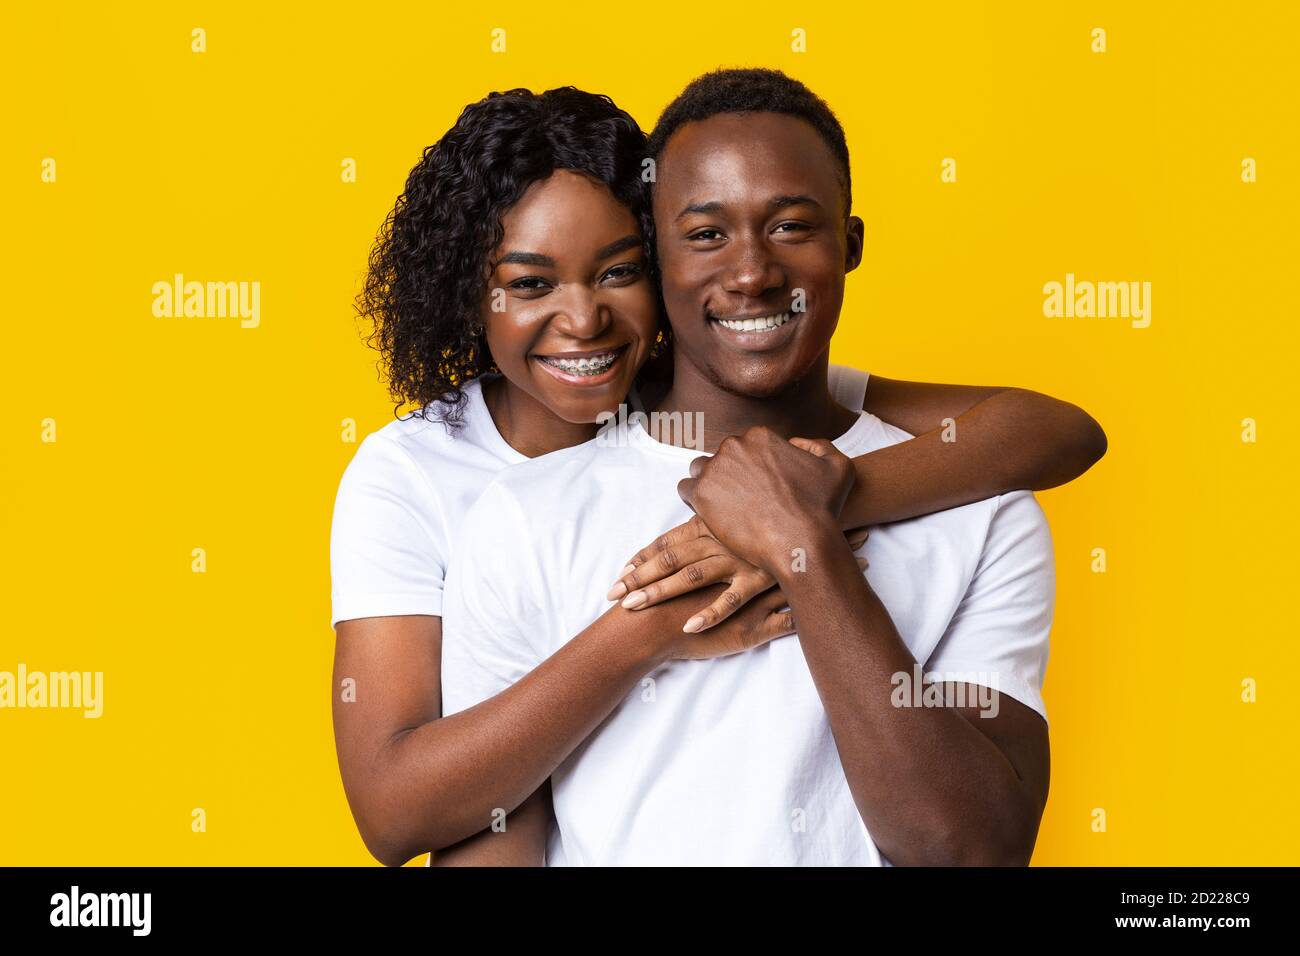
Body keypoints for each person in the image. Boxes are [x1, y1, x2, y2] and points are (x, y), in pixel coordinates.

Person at [332, 84, 1104, 866]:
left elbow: (1048, 429)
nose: (583, 321)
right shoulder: (457, 491)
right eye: (531, 283)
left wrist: (800, 521)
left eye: (614, 273)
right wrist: (652, 624)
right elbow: (413, 816)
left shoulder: (951, 495)